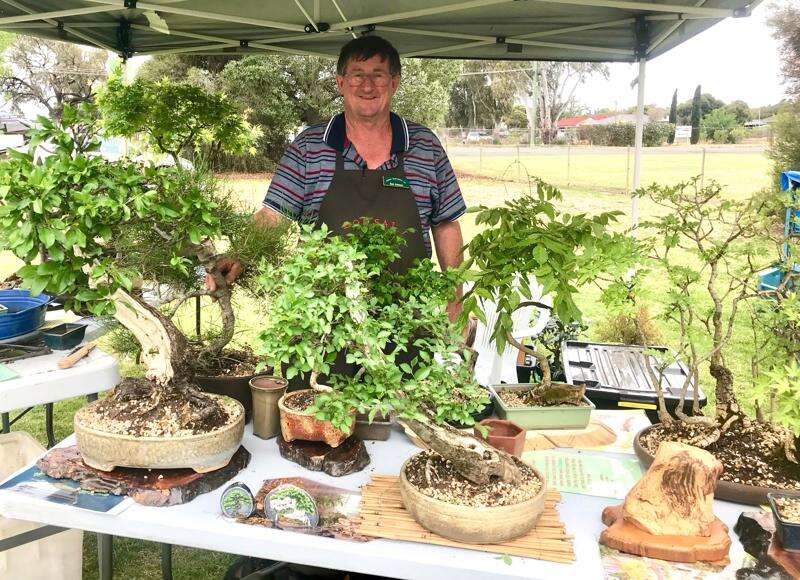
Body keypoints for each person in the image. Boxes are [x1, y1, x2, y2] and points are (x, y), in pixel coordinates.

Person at [209, 35, 467, 321]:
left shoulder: (424, 145)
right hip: (321, 322)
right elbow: (274, 215)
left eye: (378, 76)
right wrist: (240, 254)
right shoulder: (309, 146)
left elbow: (445, 224)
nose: (367, 86)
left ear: (394, 82)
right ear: (341, 83)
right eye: (357, 76)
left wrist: (455, 298)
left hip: (408, 318)